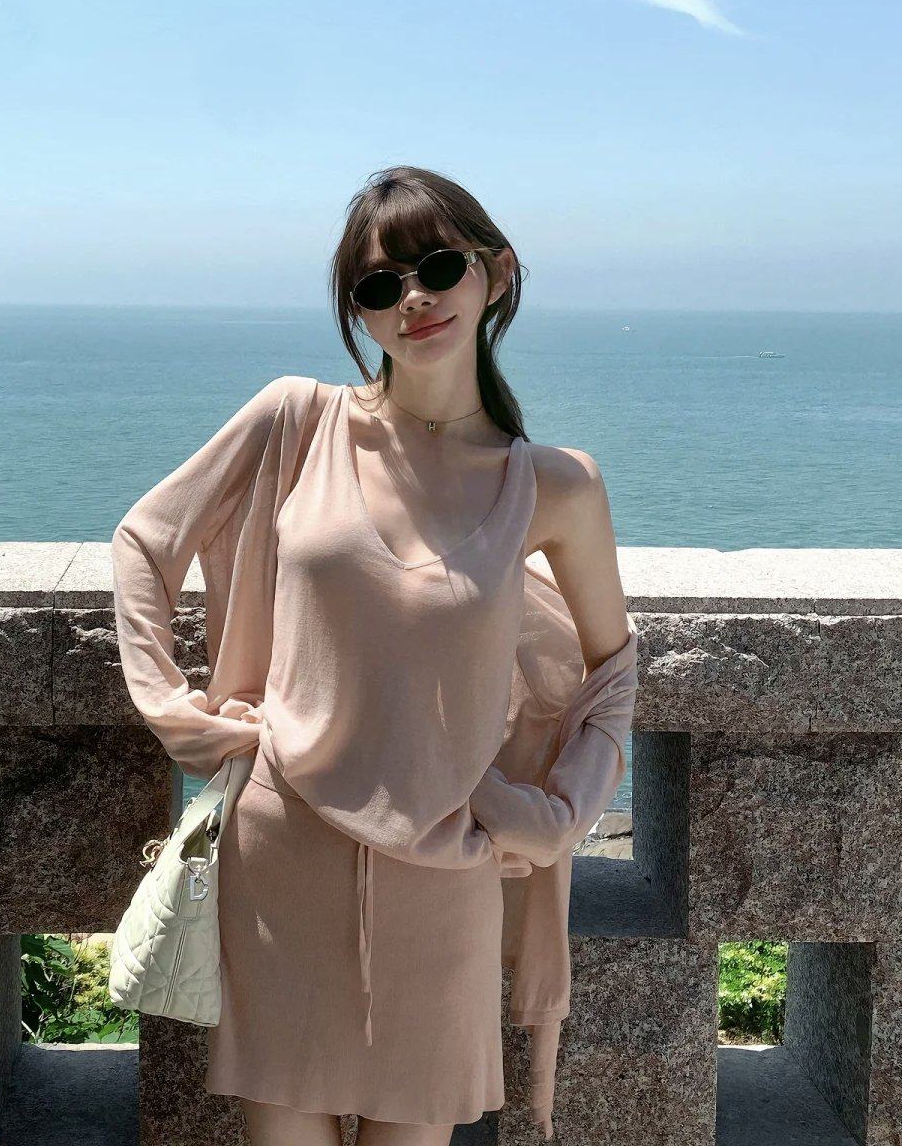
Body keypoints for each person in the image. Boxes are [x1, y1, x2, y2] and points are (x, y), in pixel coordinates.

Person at [111, 165, 639, 1146]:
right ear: (358, 310)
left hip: (445, 869)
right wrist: (180, 716)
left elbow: (612, 674)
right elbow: (147, 541)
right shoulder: (297, 421)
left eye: (437, 267)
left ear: (496, 273)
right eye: (379, 284)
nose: (414, 300)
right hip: (282, 850)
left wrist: (560, 815)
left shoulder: (556, 485)